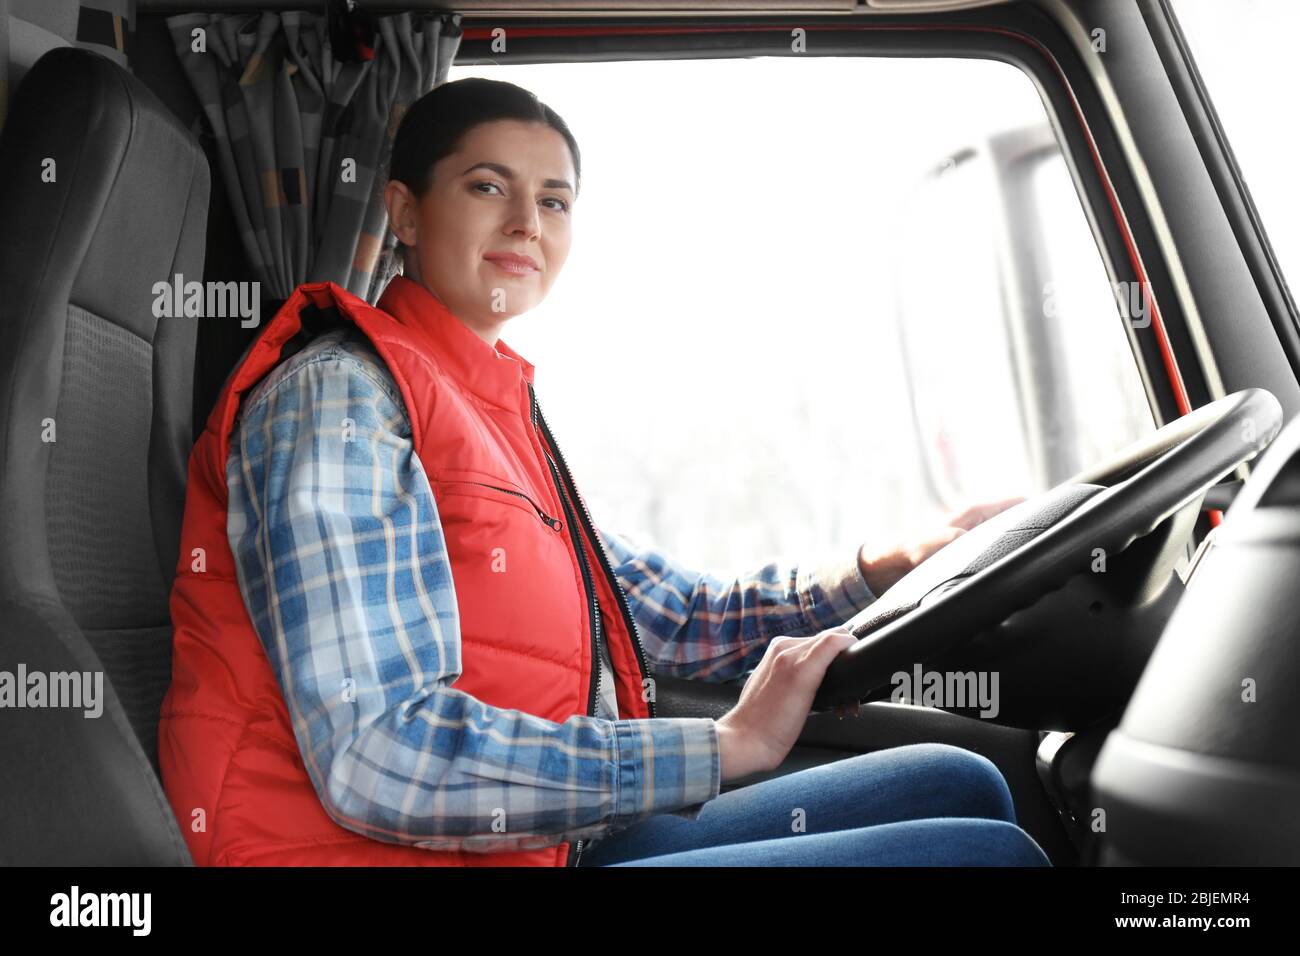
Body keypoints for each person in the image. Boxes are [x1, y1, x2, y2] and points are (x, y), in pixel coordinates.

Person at [158, 77, 1049, 867]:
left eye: (554, 200)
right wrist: (723, 745)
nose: (526, 223)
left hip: (531, 845)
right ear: (405, 211)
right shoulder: (337, 400)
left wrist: (891, 566)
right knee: (984, 856)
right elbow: (377, 754)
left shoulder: (491, 414)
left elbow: (678, 615)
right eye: (488, 187)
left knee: (962, 780)